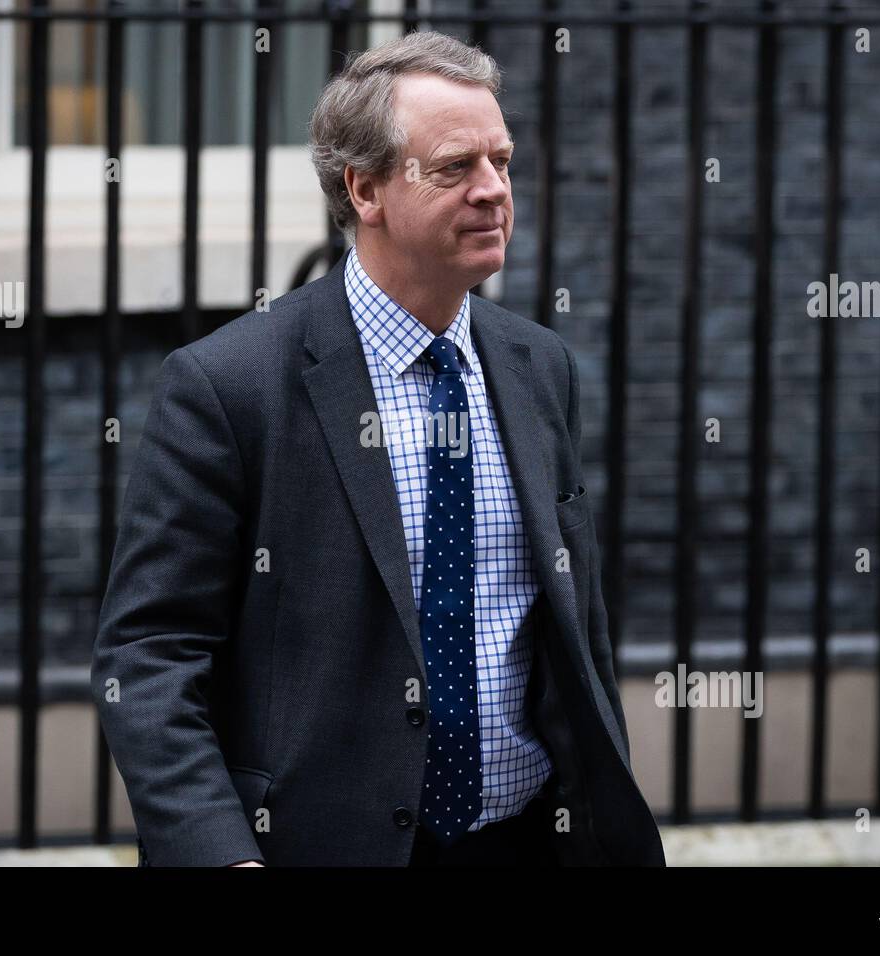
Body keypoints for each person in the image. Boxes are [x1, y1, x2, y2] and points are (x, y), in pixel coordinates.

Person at [91, 29, 665, 868]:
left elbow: (574, 626)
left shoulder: (539, 366)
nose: (494, 191)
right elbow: (149, 654)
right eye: (455, 167)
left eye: (502, 162)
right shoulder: (229, 384)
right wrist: (222, 856)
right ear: (364, 189)